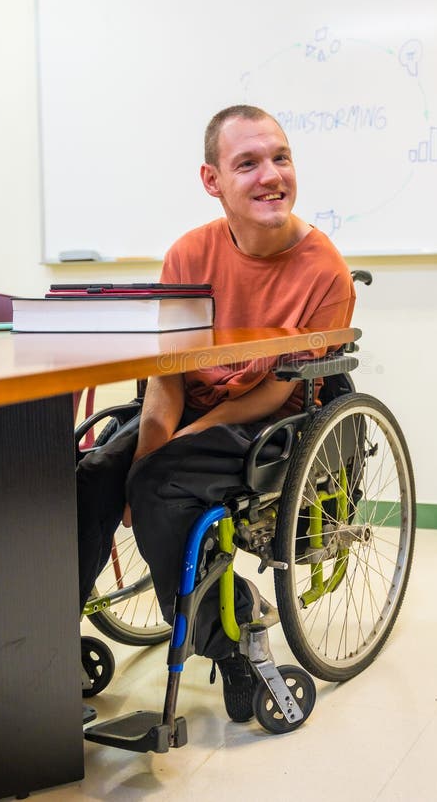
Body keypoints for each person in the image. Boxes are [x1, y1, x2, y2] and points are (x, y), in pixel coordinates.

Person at [77, 104, 355, 722]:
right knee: (97, 473)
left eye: (280, 158)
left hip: (266, 418)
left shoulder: (324, 274)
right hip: (184, 407)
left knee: (159, 484)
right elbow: (167, 381)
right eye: (248, 163)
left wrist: (169, 455)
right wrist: (148, 450)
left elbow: (275, 393)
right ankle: (40, 642)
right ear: (213, 181)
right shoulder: (188, 255)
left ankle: (231, 642)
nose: (270, 175)